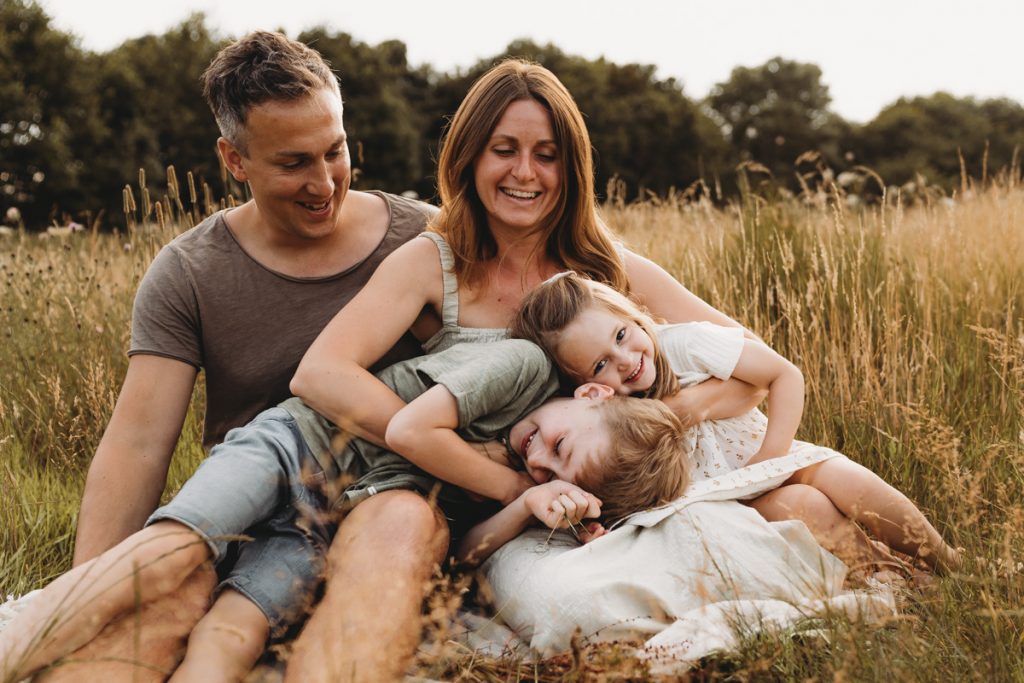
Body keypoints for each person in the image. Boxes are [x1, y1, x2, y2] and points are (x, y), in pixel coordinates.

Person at [289, 58, 851, 675]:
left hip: (627, 495)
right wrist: (475, 462)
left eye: (547, 154)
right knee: (580, 603)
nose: (525, 172)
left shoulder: (609, 269)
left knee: (813, 511)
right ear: (470, 157)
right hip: (512, 517)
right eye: (504, 149)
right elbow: (322, 373)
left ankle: (891, 592)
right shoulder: (434, 263)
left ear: (572, 167)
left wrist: (667, 412)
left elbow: (750, 369)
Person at [61, 31, 440, 680]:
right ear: (234, 160)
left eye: (336, 151)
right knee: (141, 634)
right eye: (293, 163)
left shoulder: (425, 241)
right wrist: (88, 596)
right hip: (256, 519)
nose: (324, 183)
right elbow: (138, 445)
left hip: (390, 510)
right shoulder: (189, 271)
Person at [0, 339, 690, 681]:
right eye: (559, 447)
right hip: (293, 444)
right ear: (592, 396)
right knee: (174, 550)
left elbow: (466, 550)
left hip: (323, 527)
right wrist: (517, 489)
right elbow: (410, 428)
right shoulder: (522, 367)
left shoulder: (522, 475)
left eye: (553, 472)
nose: (540, 461)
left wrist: (533, 505)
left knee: (235, 630)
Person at [508, 271, 962, 573]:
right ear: (585, 385)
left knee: (840, 476)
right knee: (802, 505)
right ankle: (889, 575)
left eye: (623, 336)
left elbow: (785, 374)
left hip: (766, 453)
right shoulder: (604, 415)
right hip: (721, 499)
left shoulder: (686, 345)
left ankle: (946, 561)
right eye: (601, 364)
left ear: (631, 317)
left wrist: (772, 457)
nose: (625, 362)